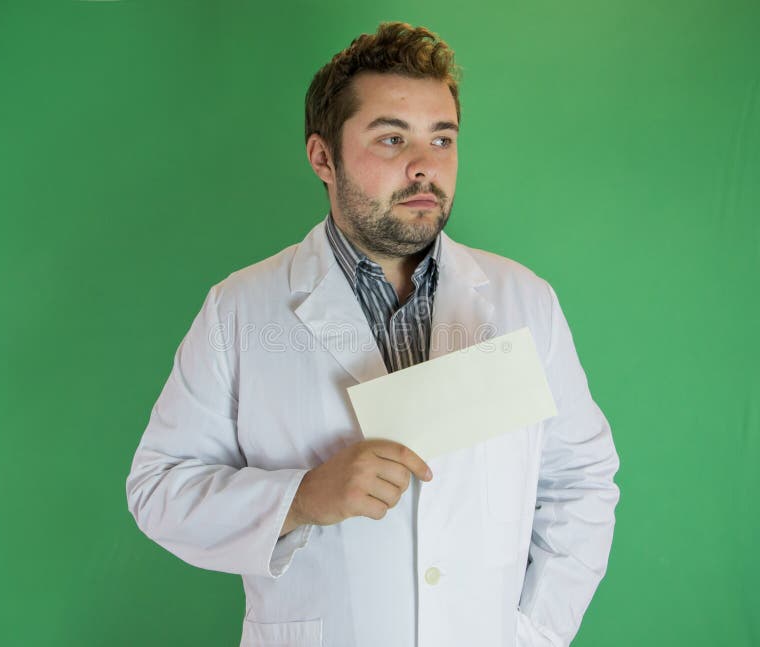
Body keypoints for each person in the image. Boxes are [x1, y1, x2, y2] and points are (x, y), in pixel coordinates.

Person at [126, 21, 620, 647]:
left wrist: (532, 632)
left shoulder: (525, 301)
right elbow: (159, 489)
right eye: (391, 138)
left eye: (442, 139)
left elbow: (581, 481)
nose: (424, 166)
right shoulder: (239, 309)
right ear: (323, 158)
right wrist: (301, 497)